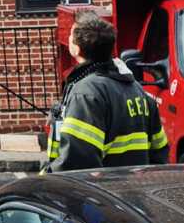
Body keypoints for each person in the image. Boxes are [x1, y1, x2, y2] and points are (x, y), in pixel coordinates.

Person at [48, 12, 169, 169]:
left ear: (77, 49)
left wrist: (44, 179)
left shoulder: (86, 94)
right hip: (132, 183)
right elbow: (159, 154)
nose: (68, 38)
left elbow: (75, 163)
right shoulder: (137, 89)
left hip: (97, 185)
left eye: (71, 35)